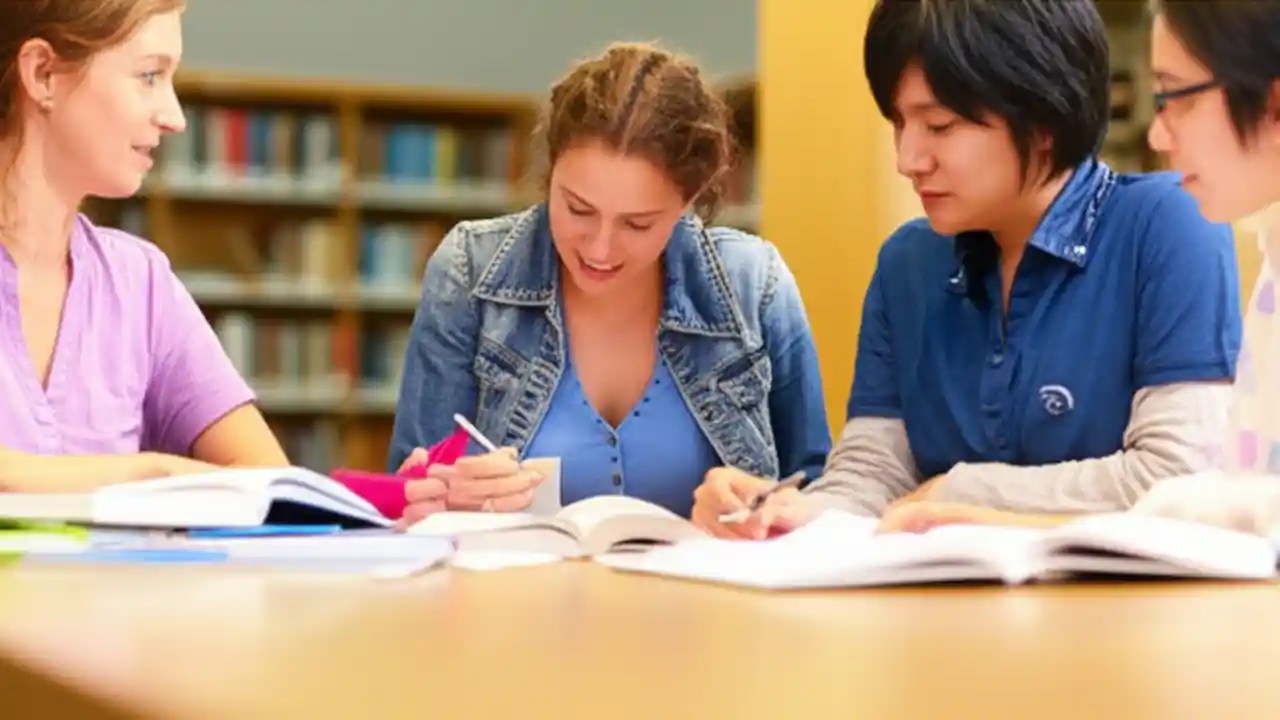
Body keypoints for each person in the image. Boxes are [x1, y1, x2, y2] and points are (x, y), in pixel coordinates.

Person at [690, 0, 1243, 539]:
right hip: (945, 617)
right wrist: (782, 512)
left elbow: (1176, 475)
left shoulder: (1169, 224)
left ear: (1042, 116)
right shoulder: (908, 263)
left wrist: (958, 494)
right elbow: (870, 480)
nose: (909, 159)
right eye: (900, 123)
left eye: (941, 125)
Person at [879, 0, 1280, 536]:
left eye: (1174, 99)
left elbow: (1199, 485)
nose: (1158, 137)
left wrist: (973, 499)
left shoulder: (1164, 224)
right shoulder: (1272, 254)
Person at [389, 42, 830, 525]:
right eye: (578, 209)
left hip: (711, 596)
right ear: (550, 169)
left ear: (689, 202)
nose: (599, 248)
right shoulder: (469, 273)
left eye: (637, 224)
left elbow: (813, 488)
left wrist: (774, 512)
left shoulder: (754, 285)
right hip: (511, 596)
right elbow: (407, 491)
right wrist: (434, 497)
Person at [0, 0, 288, 492]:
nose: (174, 117)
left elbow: (268, 480)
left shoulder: (139, 282)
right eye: (150, 76)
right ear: (43, 73)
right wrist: (151, 471)